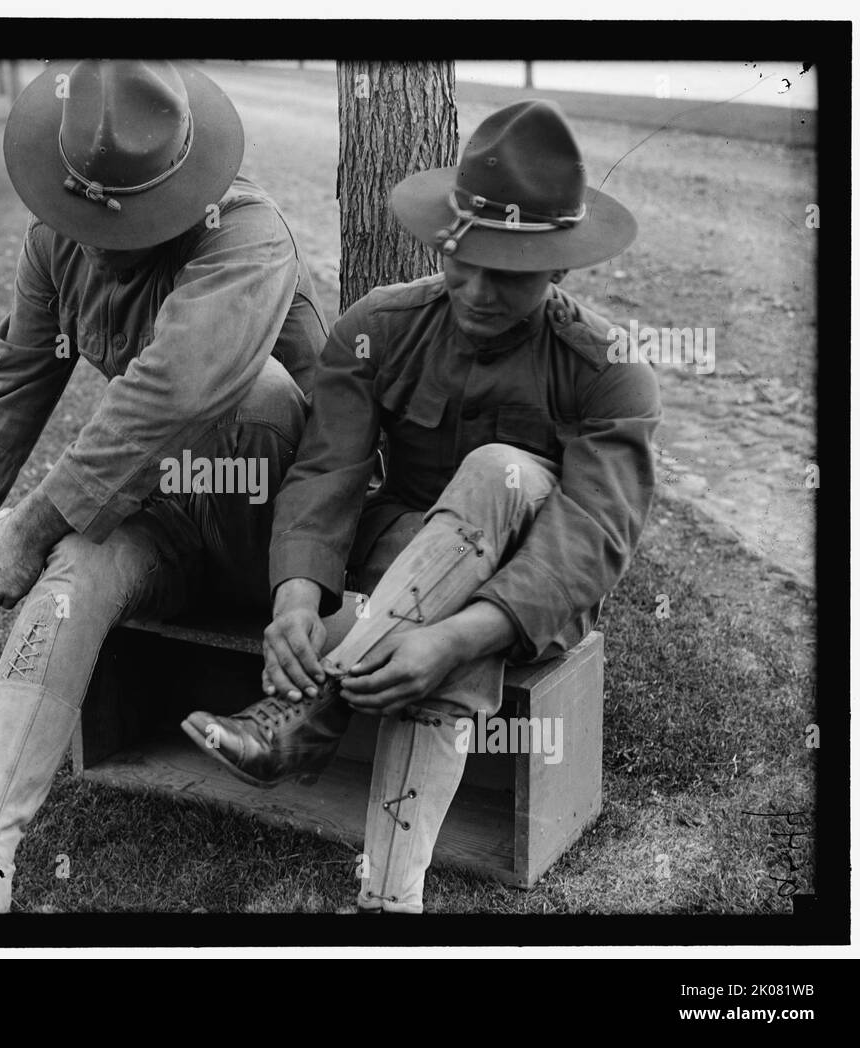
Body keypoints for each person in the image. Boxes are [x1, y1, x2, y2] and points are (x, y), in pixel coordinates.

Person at [0, 59, 326, 912]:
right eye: (80, 206)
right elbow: (13, 380)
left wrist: (24, 527)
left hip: (274, 541)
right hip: (159, 511)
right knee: (70, 579)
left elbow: (170, 389)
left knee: (257, 392)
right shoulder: (57, 232)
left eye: (124, 216)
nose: (92, 233)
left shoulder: (248, 235)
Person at [183, 100, 662, 913]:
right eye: (459, 260)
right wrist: (296, 599)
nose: (474, 290)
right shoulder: (381, 326)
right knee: (429, 603)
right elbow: (326, 470)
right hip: (394, 558)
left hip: (526, 600)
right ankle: (389, 905)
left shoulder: (608, 369)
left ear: (562, 272)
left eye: (507, 273)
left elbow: (588, 539)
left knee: (499, 470)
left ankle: (307, 719)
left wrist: (454, 638)